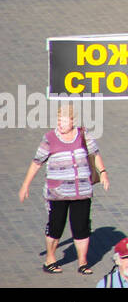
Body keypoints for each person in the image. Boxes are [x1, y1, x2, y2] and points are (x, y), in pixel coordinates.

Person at [18, 102, 109, 274]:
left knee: (81, 227)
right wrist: (25, 185)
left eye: (64, 121)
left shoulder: (83, 135)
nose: (60, 124)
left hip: (81, 192)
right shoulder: (49, 138)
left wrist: (103, 173)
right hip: (57, 193)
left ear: (73, 121)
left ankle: (83, 262)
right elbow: (37, 162)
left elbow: (95, 154)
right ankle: (50, 259)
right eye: (58, 120)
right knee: (56, 226)